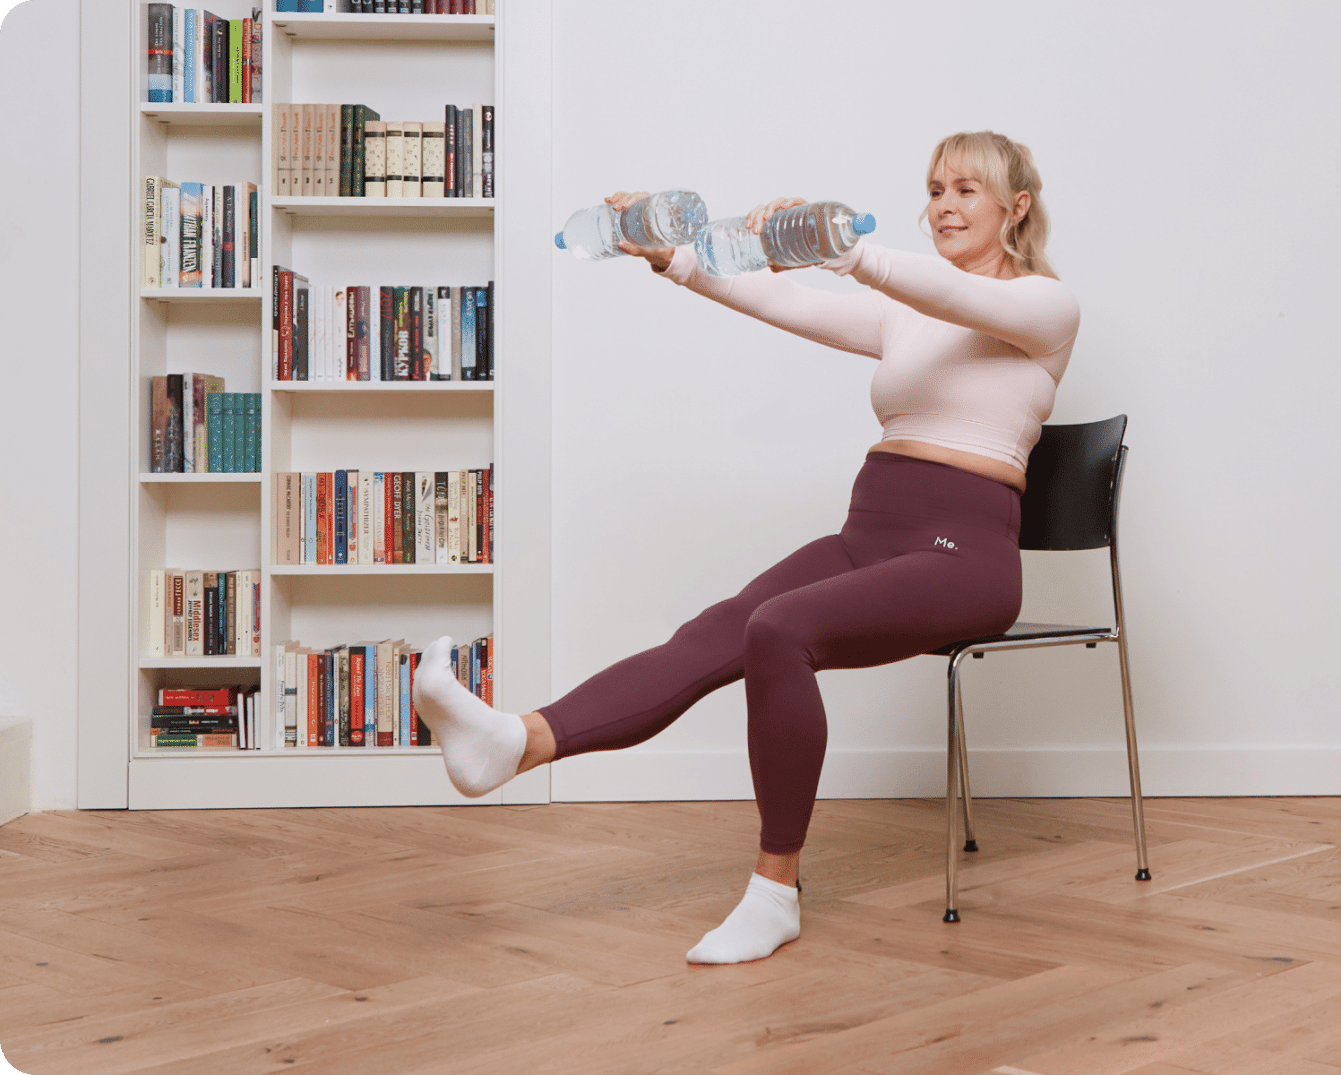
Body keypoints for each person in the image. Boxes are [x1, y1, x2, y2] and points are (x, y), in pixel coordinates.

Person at [412, 130, 1079, 965]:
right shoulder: (907, 312)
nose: (944, 203)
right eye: (936, 187)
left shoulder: (1047, 307)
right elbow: (778, 300)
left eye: (967, 190)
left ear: (1016, 207)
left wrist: (848, 250)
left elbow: (956, 299)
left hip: (963, 553)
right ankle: (515, 742)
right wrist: (676, 260)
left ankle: (775, 892)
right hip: (871, 528)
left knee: (779, 629)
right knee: (719, 627)